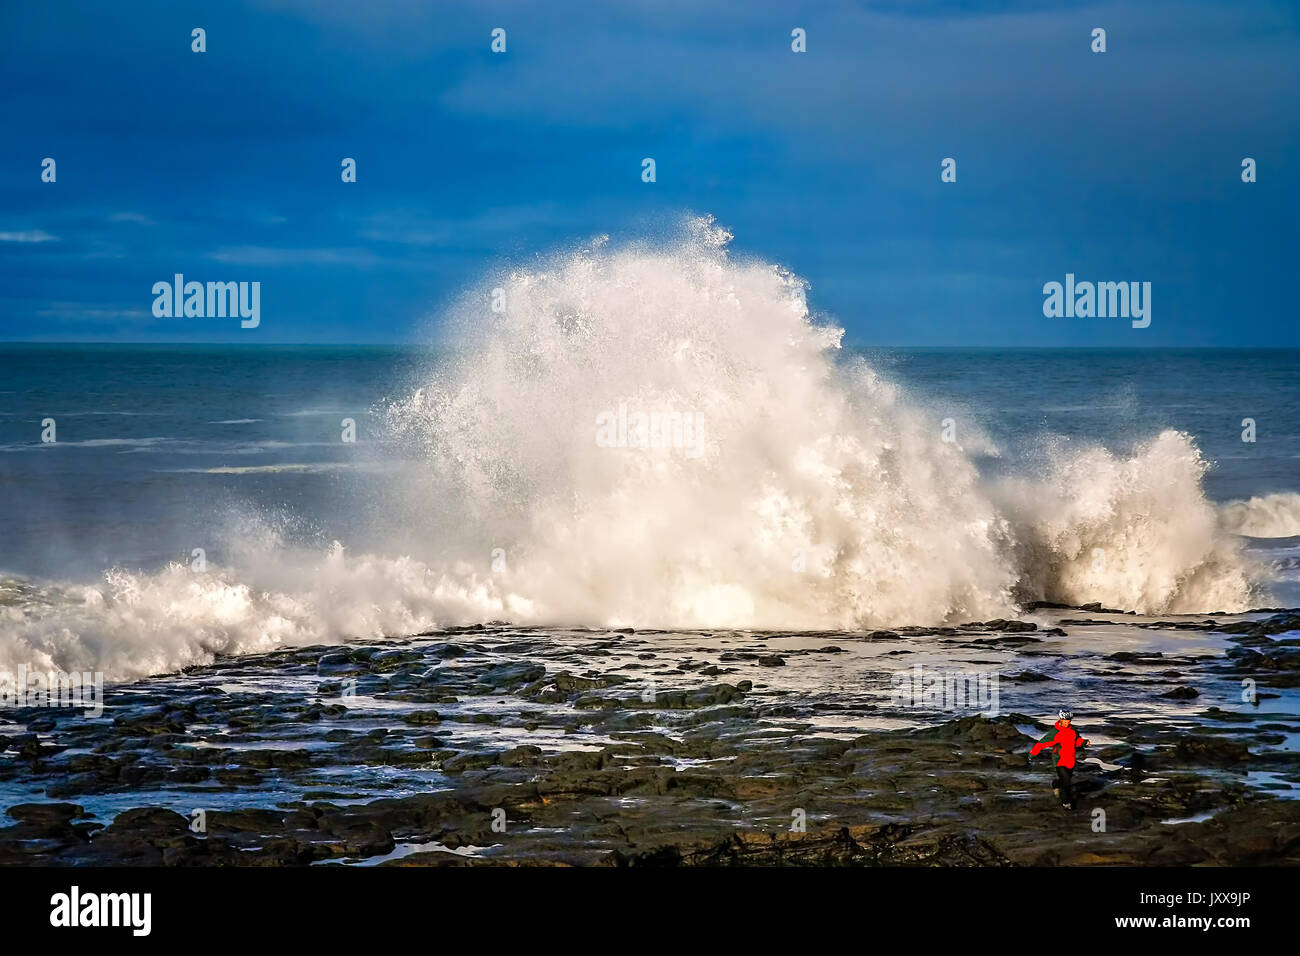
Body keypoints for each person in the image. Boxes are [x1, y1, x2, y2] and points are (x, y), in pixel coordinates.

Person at [1030, 709, 1089, 810]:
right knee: (1067, 783)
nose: (1067, 723)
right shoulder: (1055, 732)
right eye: (1065, 721)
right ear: (1061, 720)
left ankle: (1055, 784)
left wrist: (1084, 742)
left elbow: (1076, 741)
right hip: (1059, 760)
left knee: (1065, 780)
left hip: (1071, 760)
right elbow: (1042, 743)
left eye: (1069, 721)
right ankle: (1066, 803)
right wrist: (1032, 754)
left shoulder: (1073, 730)